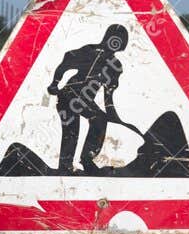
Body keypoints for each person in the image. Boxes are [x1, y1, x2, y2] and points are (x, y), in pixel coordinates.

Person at [46, 23, 128, 174]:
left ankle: (85, 159)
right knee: (73, 129)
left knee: (99, 120)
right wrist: (54, 83)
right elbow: (67, 60)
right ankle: (67, 165)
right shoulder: (89, 51)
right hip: (68, 95)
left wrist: (111, 114)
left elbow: (108, 94)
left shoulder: (115, 66)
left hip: (83, 100)